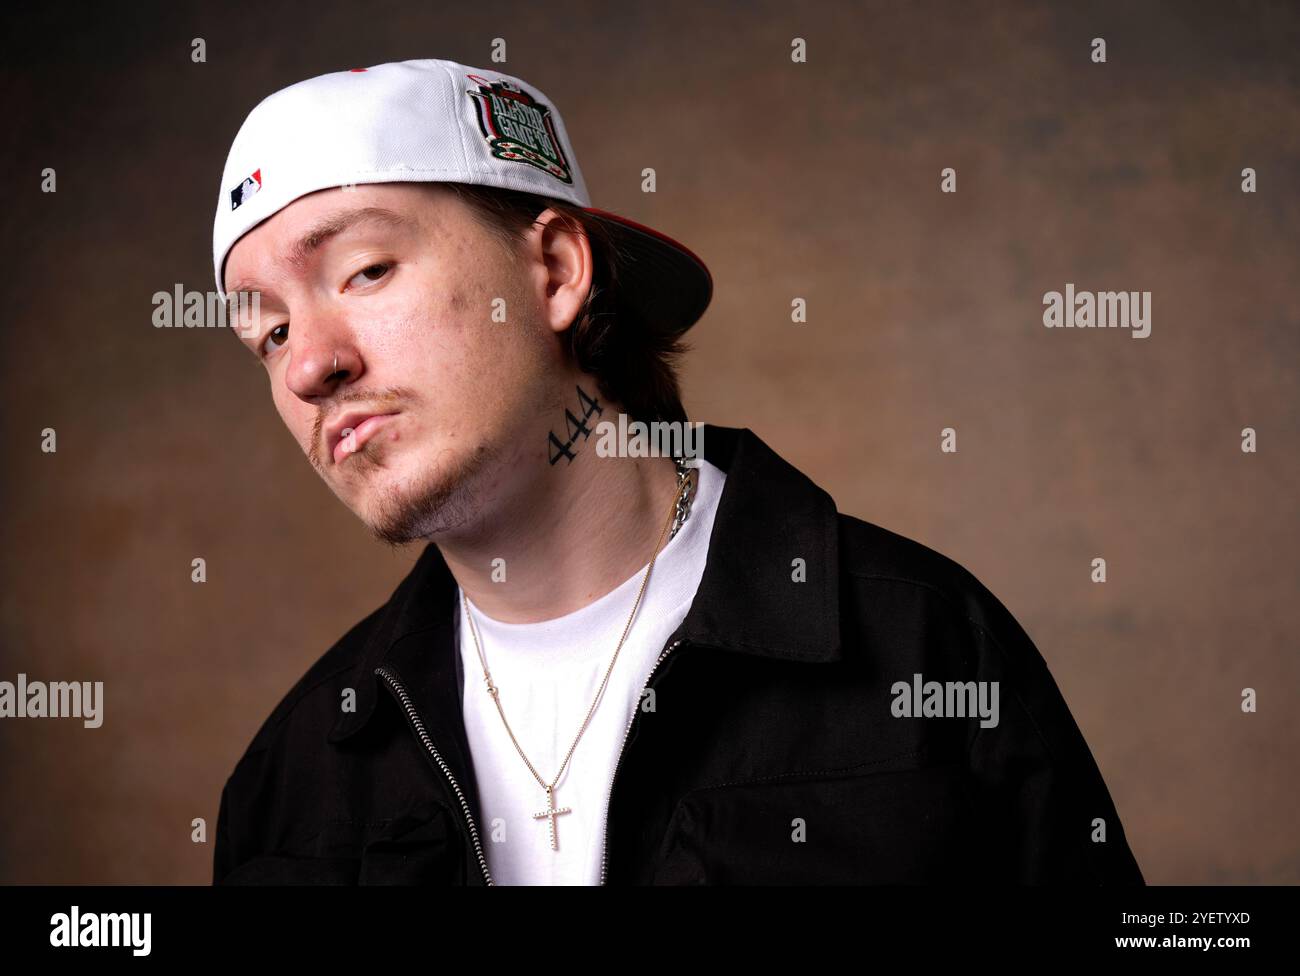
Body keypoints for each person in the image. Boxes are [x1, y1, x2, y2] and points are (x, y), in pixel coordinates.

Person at [210, 58, 1144, 885]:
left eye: (367, 270)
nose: (306, 366)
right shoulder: (294, 775)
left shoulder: (924, 646)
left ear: (556, 270)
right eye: (270, 331)